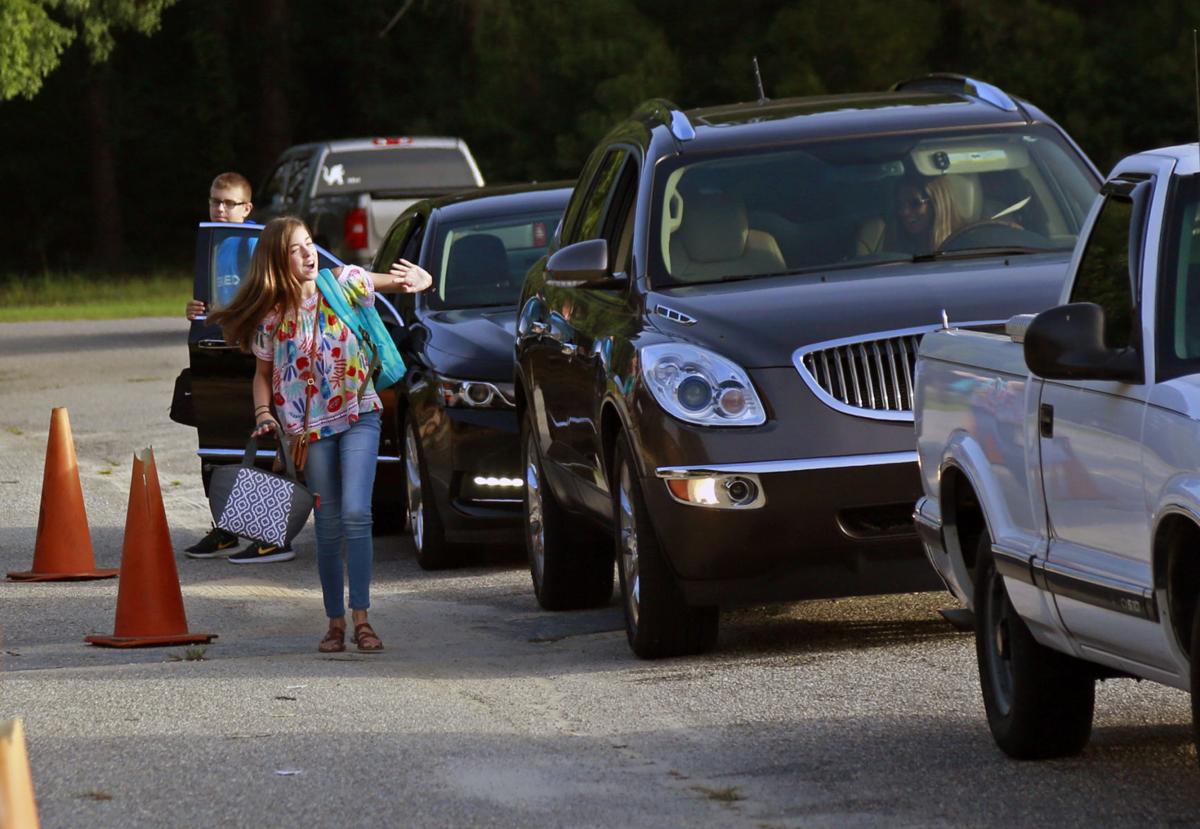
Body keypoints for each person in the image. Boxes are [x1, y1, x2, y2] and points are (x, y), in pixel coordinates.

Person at [209, 216, 432, 652]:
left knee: (355, 513)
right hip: (307, 433)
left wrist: (420, 279)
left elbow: (398, 283)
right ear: (279, 259)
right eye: (296, 249)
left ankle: (363, 618)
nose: (308, 253)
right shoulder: (271, 318)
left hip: (358, 413)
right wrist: (263, 412)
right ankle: (335, 623)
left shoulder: (343, 282)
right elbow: (262, 374)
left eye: (310, 243)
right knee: (328, 526)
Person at [183, 172, 289, 562]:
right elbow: (213, 301)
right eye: (215, 201)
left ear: (247, 209)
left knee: (266, 441)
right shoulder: (214, 247)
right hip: (223, 350)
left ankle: (272, 533)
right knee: (219, 442)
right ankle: (226, 529)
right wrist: (197, 313)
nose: (221, 209)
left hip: (264, 353)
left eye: (229, 203)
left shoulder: (261, 246)